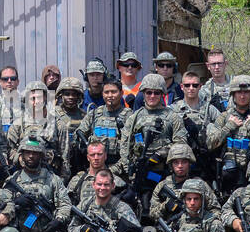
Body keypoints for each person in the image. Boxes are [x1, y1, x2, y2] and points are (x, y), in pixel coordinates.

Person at [6, 135, 72, 232]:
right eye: (27, 152)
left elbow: (65, 204)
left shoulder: (53, 179)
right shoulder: (13, 180)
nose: (31, 156)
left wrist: (58, 220)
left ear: (41, 155)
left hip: (48, 231)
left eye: (35, 153)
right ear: (21, 154)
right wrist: (16, 203)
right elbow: (2, 203)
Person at [121, 73, 184, 203]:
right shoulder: (135, 118)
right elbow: (125, 145)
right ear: (143, 93)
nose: (152, 96)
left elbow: (181, 144)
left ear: (162, 94)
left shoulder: (172, 117)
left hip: (164, 172)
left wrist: (161, 153)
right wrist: (129, 170)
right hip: (140, 172)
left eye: (156, 93)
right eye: (149, 92)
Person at [211, 75, 250, 198]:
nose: (242, 96)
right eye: (238, 92)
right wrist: (228, 127)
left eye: (246, 92)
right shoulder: (224, 117)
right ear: (233, 95)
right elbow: (210, 144)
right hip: (229, 178)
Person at [173, 68, 223, 184]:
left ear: (200, 86)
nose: (191, 88)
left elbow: (222, 128)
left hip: (205, 161)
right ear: (181, 87)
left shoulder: (209, 110)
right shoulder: (174, 110)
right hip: (181, 162)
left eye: (195, 85)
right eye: (187, 85)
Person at [147, 144, 218, 223]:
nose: (180, 166)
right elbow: (152, 215)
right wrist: (165, 206)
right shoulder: (162, 186)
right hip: (171, 229)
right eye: (176, 163)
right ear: (171, 165)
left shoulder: (200, 184)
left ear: (189, 164)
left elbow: (215, 209)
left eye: (184, 162)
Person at [78, 77, 130, 170]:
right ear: (102, 94)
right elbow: (79, 133)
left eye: (114, 92)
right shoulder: (94, 114)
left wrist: (115, 169)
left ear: (121, 93)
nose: (110, 95)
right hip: (95, 167)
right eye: (106, 92)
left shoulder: (129, 116)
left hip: (119, 168)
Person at [67, 139, 128, 207]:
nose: (96, 158)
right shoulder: (77, 181)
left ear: (105, 156)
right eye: (92, 155)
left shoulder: (117, 182)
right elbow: (67, 206)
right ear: (88, 157)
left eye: (99, 154)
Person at [49, 77, 87, 181]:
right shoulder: (52, 114)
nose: (70, 97)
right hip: (59, 162)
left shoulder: (85, 115)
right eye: (67, 94)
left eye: (74, 94)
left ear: (79, 96)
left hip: (79, 162)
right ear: (61, 95)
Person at [0, 65, 23, 135]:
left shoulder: (27, 103)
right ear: (0, 82)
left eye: (13, 78)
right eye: (5, 79)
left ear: (18, 81)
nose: (9, 81)